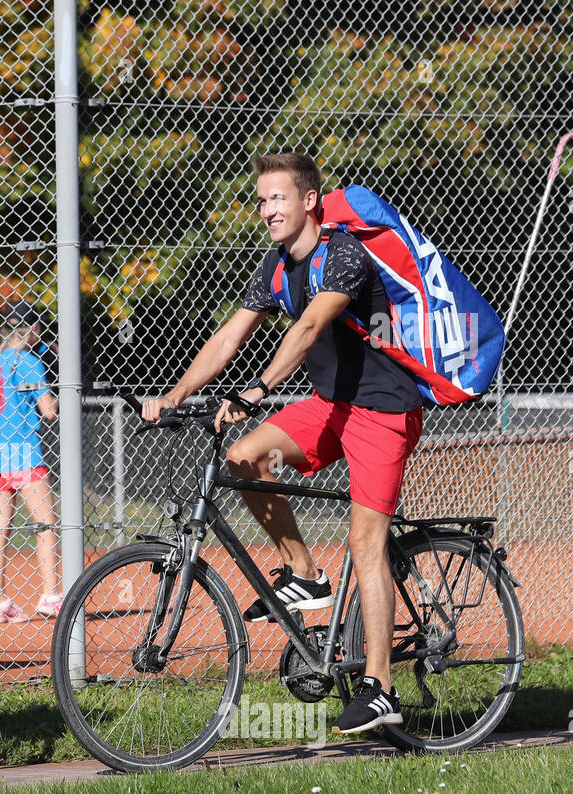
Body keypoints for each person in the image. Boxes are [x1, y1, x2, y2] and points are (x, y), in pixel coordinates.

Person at [142, 152, 423, 735]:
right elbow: (228, 337)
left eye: (278, 198)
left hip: (382, 410)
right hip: (330, 406)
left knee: (365, 542)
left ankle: (380, 687)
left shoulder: (343, 253)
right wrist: (173, 395)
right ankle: (305, 574)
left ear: (309, 201)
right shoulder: (275, 267)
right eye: (262, 199)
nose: (267, 209)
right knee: (245, 457)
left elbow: (310, 327)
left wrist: (257, 389)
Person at [0, 300, 62, 624]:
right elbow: (49, 410)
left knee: (0, 527)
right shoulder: (28, 361)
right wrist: (64, 389)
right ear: (33, 329)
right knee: (46, 524)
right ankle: (51, 595)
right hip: (23, 450)